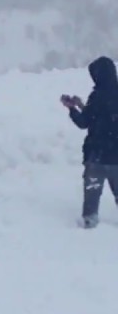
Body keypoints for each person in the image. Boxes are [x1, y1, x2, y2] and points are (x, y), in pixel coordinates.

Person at [63, 56, 118, 228]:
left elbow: (85, 122)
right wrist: (82, 105)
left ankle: (89, 228)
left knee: (92, 199)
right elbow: (105, 117)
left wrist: (72, 108)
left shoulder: (97, 96)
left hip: (96, 158)